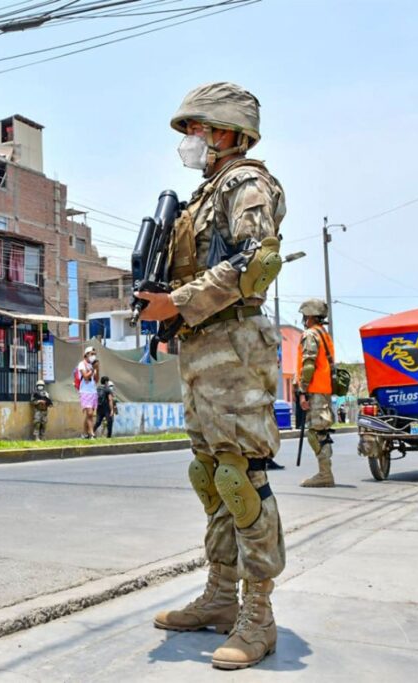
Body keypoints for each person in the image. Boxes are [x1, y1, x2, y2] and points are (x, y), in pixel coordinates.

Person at [137, 82, 286, 670]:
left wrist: (176, 303)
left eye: (196, 129)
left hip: (235, 349)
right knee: (210, 475)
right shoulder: (204, 194)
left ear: (226, 132)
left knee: (240, 476)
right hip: (200, 348)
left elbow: (255, 264)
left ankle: (259, 615)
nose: (190, 141)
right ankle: (221, 597)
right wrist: (168, 313)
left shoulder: (247, 183)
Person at [297, 299, 337, 488]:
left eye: (305, 315)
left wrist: (302, 391)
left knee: (316, 434)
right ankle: (325, 473)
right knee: (322, 432)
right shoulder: (324, 334)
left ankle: (325, 475)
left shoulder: (310, 334)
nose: (304, 319)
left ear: (310, 316)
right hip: (324, 389)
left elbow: (308, 365)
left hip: (315, 390)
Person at [76, 346, 99, 438]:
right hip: (85, 392)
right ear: (86, 354)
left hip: (93, 391)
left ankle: (84, 433)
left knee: (89, 415)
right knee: (89, 413)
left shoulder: (93, 365)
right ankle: (91, 433)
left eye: (94, 354)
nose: (93, 356)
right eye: (92, 354)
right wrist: (93, 369)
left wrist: (97, 369)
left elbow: (96, 380)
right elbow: (85, 377)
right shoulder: (82, 364)